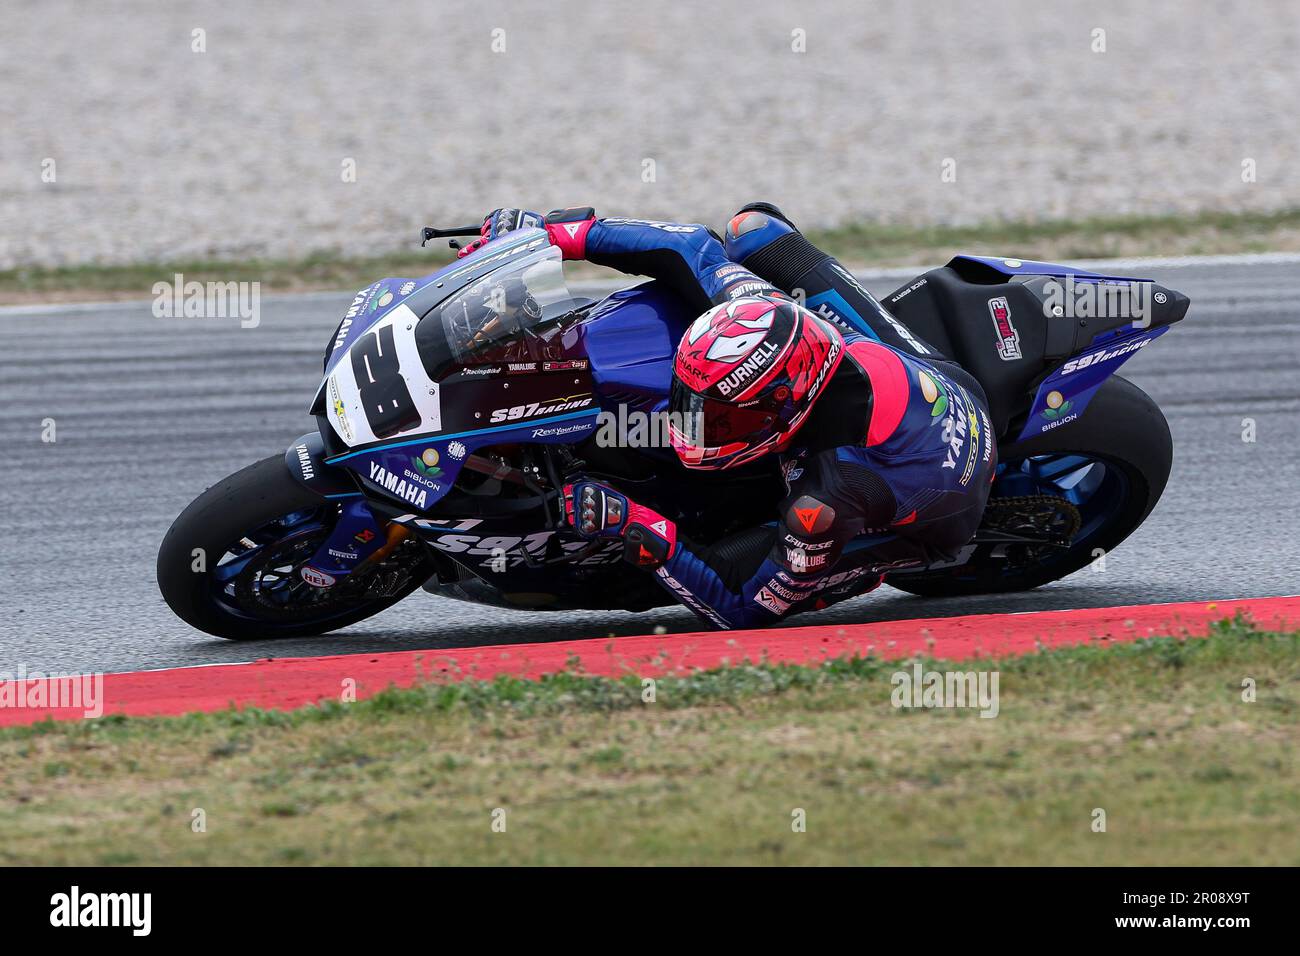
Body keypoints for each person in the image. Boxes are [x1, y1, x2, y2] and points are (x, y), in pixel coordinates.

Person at [461, 203, 997, 629]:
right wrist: (555, 237)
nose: (695, 423)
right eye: (696, 404)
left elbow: (742, 607)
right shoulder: (758, 305)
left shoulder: (827, 497)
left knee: (747, 555)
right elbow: (686, 245)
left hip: (936, 507)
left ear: (784, 409)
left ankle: (862, 568)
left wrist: (634, 523)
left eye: (721, 416)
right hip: (922, 379)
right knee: (752, 226)